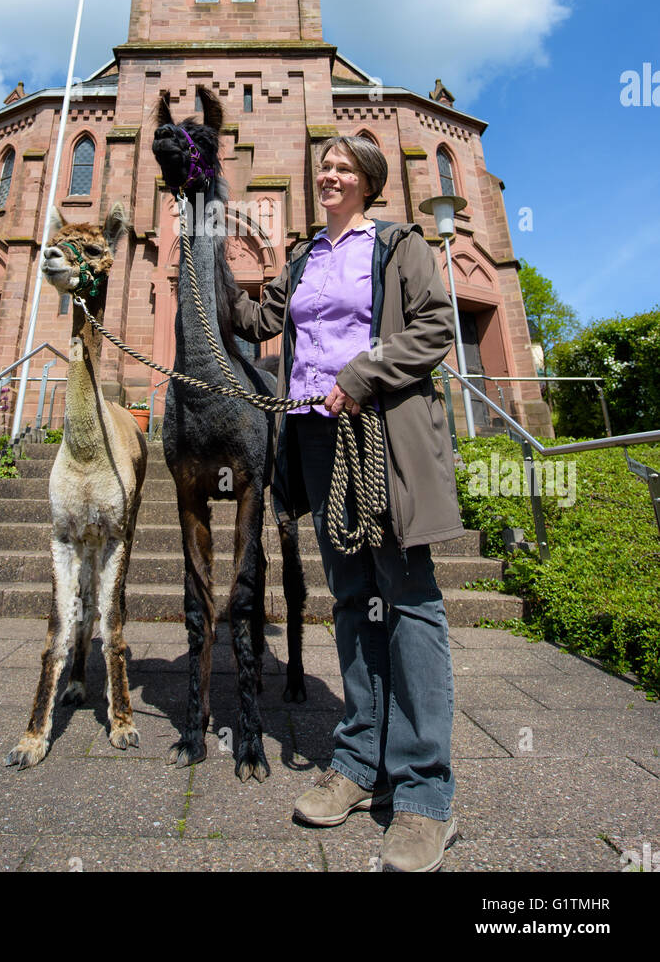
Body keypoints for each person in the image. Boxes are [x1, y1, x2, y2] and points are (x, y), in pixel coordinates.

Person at [230, 135, 463, 872]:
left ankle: (424, 794)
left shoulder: (397, 244)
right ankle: (360, 763)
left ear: (367, 181)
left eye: (342, 168)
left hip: (379, 434)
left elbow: (435, 327)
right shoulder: (301, 258)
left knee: (408, 599)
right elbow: (261, 320)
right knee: (351, 596)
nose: (328, 175)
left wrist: (363, 374)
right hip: (309, 437)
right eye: (322, 167)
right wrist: (197, 250)